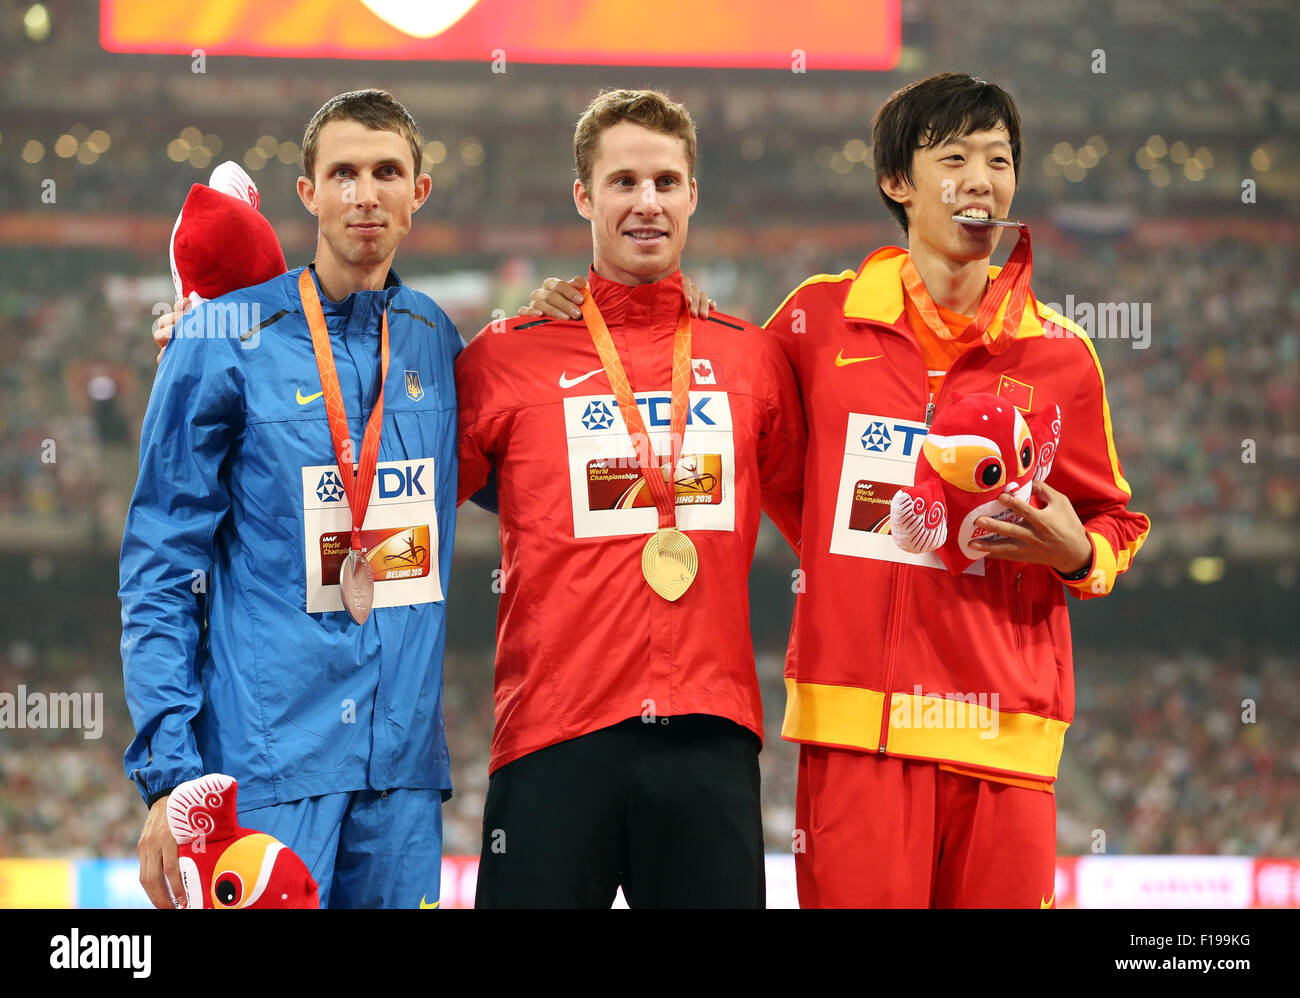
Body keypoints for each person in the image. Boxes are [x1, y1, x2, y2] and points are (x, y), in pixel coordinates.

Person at [525, 73, 1150, 908]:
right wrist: (578, 308)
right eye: (954, 157)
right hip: (855, 734)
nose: (981, 179)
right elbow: (734, 419)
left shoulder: (1062, 355)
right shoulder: (814, 323)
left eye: (999, 160)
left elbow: (1117, 519)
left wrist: (1080, 555)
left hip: (1004, 739)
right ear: (898, 181)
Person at [456, 89, 806, 908]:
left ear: (692, 195)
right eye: (622, 182)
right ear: (585, 197)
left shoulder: (753, 362)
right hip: (552, 734)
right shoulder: (504, 359)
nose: (645, 202)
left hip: (710, 739)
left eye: (664, 181)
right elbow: (431, 479)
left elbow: (811, 516)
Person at [122, 89, 461, 909]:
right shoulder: (222, 342)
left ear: (418, 192)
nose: (364, 194)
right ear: (308, 194)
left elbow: (528, 467)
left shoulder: (437, 340)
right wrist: (171, 775)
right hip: (264, 770)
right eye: (342, 172)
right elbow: (161, 563)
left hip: (401, 778)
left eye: (386, 172)